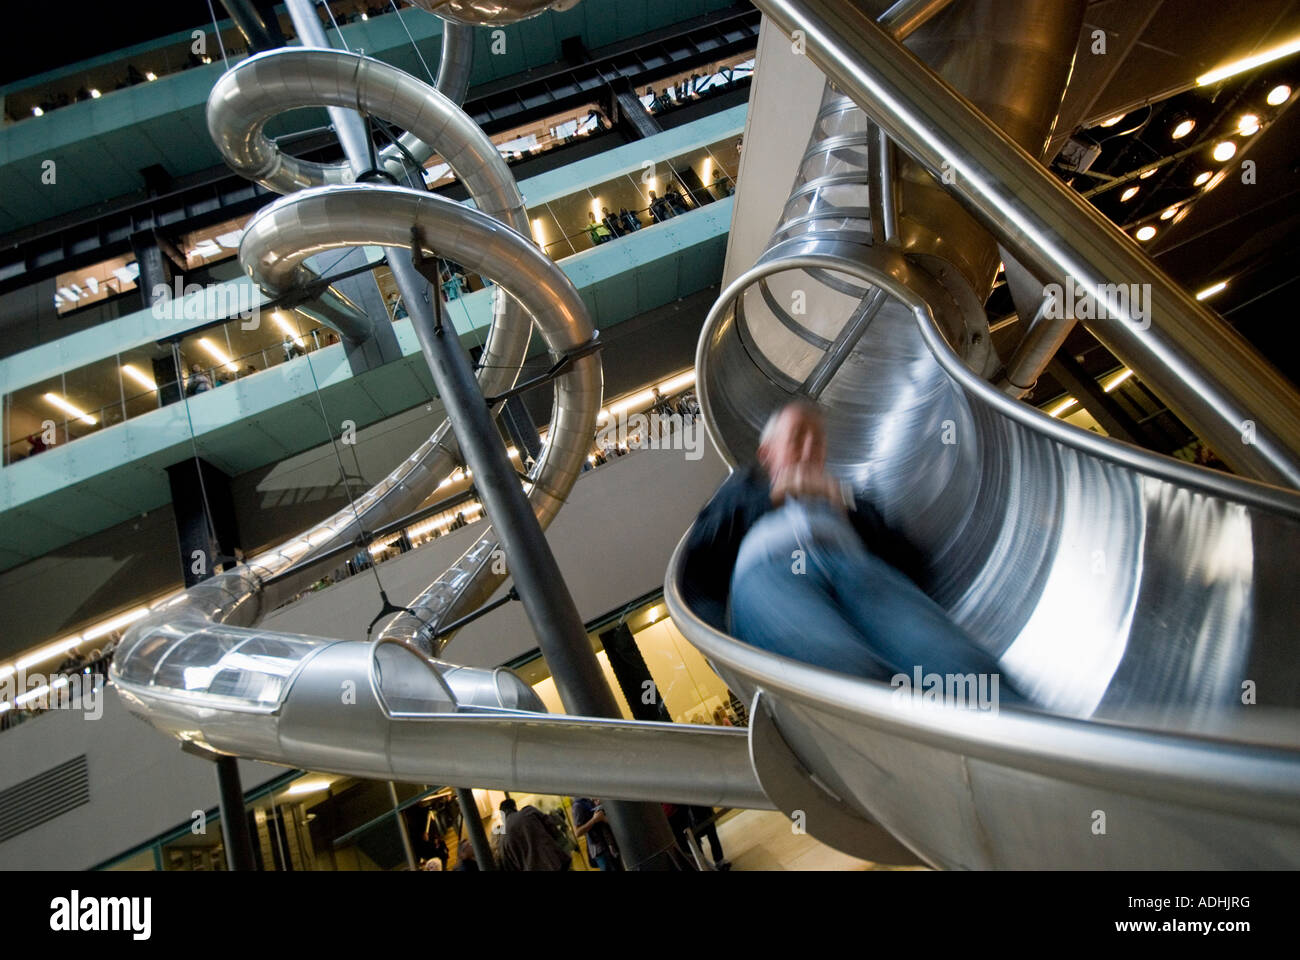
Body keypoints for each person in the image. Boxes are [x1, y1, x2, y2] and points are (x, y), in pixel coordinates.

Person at [681, 400, 1026, 702]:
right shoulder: (742, 490)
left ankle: (1026, 737)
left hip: (858, 570)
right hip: (771, 570)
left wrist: (843, 503)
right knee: (837, 663)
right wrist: (774, 495)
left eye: (818, 440)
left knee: (955, 661)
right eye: (799, 437)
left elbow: (912, 563)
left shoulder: (851, 500)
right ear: (767, 453)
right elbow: (699, 562)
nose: (810, 448)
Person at [498, 798, 570, 871]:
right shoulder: (528, 812)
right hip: (553, 862)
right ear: (514, 807)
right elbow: (552, 828)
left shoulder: (502, 839)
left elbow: (509, 866)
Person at [572, 797, 621, 871]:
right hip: (599, 850)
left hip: (608, 845)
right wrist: (594, 820)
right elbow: (577, 832)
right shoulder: (577, 805)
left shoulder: (587, 800)